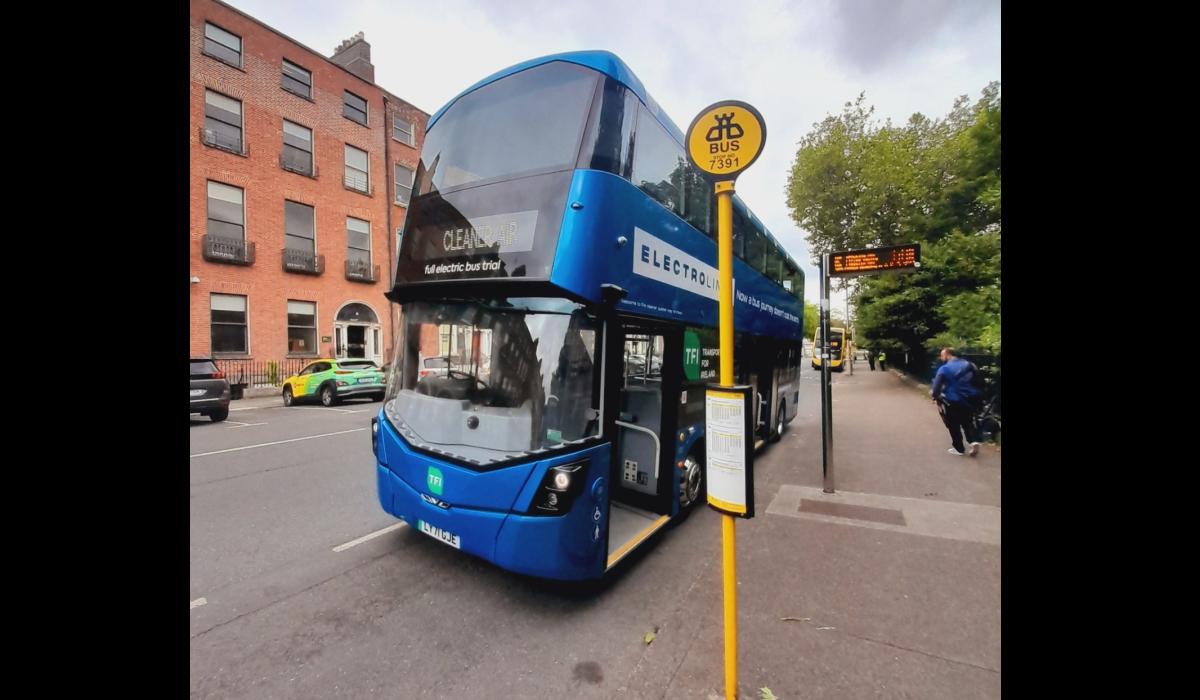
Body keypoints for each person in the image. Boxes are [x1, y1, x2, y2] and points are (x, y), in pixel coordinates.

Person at [930, 347, 983, 457]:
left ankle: (959, 448)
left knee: (953, 424)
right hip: (970, 398)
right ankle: (973, 441)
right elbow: (979, 381)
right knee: (967, 421)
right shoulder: (970, 365)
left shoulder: (944, 368)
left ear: (948, 354)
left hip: (952, 400)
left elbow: (936, 387)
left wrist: (935, 397)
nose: (941, 357)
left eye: (942, 355)